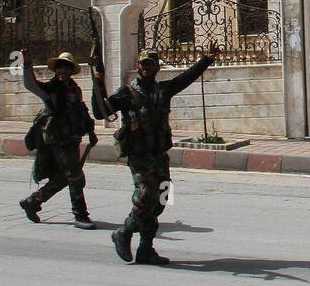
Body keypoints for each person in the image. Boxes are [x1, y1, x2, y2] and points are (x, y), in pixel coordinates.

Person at [90, 44, 218, 265]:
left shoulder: (163, 90)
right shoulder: (126, 93)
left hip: (160, 155)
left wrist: (206, 60)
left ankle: (146, 249)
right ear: (138, 66)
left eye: (151, 63)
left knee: (161, 199)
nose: (147, 67)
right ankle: (124, 231)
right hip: (139, 156)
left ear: (157, 67)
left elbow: (185, 78)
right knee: (146, 195)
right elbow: (100, 111)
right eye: (143, 64)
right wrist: (98, 83)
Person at [18, 51, 98, 229]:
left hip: (73, 138)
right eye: (60, 67)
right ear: (56, 70)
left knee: (64, 178)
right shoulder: (51, 90)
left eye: (66, 68)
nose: (63, 71)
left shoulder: (74, 89)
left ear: (71, 71)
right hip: (58, 140)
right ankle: (80, 215)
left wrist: (91, 131)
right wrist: (27, 64)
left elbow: (82, 111)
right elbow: (30, 84)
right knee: (75, 176)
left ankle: (32, 202)